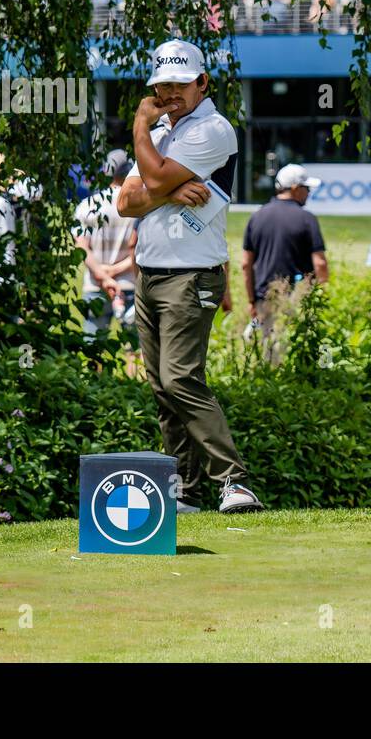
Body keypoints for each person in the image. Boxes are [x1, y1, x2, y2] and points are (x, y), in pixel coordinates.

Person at [116, 39, 262, 515]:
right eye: (163, 85)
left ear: (202, 82)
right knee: (162, 387)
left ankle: (234, 482)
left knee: (179, 377)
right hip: (150, 274)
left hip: (191, 275)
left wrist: (141, 130)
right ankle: (184, 494)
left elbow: (149, 183)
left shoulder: (214, 130)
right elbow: (124, 202)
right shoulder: (160, 135)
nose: (171, 92)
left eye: (181, 83)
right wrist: (169, 190)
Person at [241, 163, 329, 357]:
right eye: (306, 189)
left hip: (264, 297)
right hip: (298, 297)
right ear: (296, 189)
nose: (308, 193)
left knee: (266, 352)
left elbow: (246, 264)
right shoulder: (307, 219)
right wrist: (323, 294)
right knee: (293, 352)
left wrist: (251, 300)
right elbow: (320, 263)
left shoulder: (257, 216)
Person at [74, 149, 138, 342]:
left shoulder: (88, 205)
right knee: (134, 349)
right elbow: (140, 248)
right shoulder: (136, 205)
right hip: (129, 283)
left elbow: (81, 248)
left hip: (96, 285)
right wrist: (116, 270)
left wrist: (103, 275)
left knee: (93, 346)